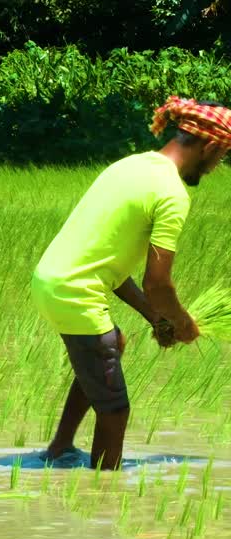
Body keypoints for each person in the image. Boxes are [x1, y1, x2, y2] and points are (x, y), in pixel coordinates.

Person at [32, 97, 231, 471]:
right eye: (221, 158)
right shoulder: (172, 193)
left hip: (51, 280)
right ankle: (102, 494)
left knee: (111, 345)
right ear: (211, 145)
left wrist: (155, 318)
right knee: (116, 410)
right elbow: (157, 283)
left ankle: (59, 449)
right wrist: (184, 324)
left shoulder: (132, 165)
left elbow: (111, 265)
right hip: (75, 292)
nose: (217, 166)